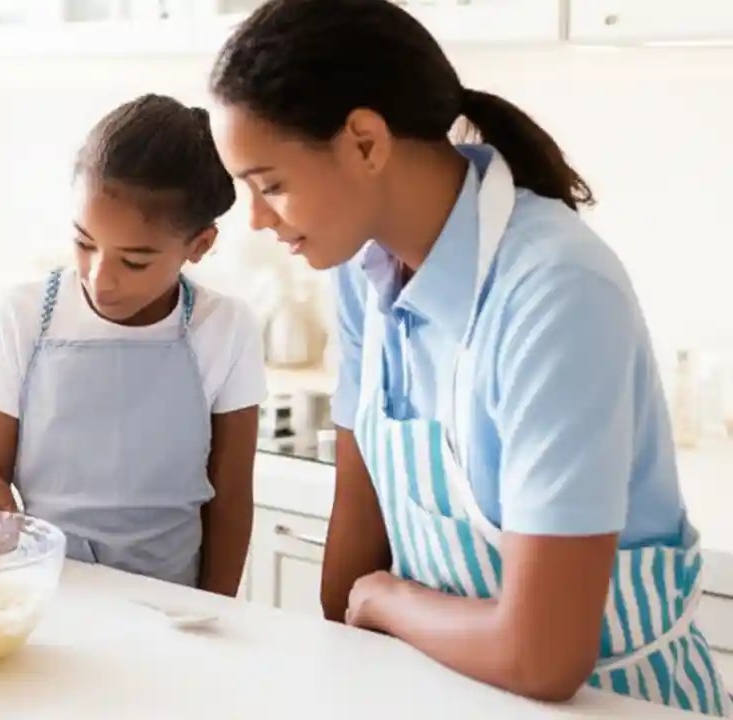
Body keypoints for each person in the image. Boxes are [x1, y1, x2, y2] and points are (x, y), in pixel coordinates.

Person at [207, 0, 728, 714]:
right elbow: (349, 574)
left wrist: (388, 600)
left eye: (270, 185)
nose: (258, 219)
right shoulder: (361, 277)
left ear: (365, 142)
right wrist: (368, 610)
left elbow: (542, 657)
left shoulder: (554, 291)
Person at [0, 94, 267, 596]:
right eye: (84, 243)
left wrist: (216, 612)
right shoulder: (22, 316)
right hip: (45, 592)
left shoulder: (225, 327)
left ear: (200, 245)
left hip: (171, 605)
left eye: (136, 261)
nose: (101, 281)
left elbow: (231, 499)